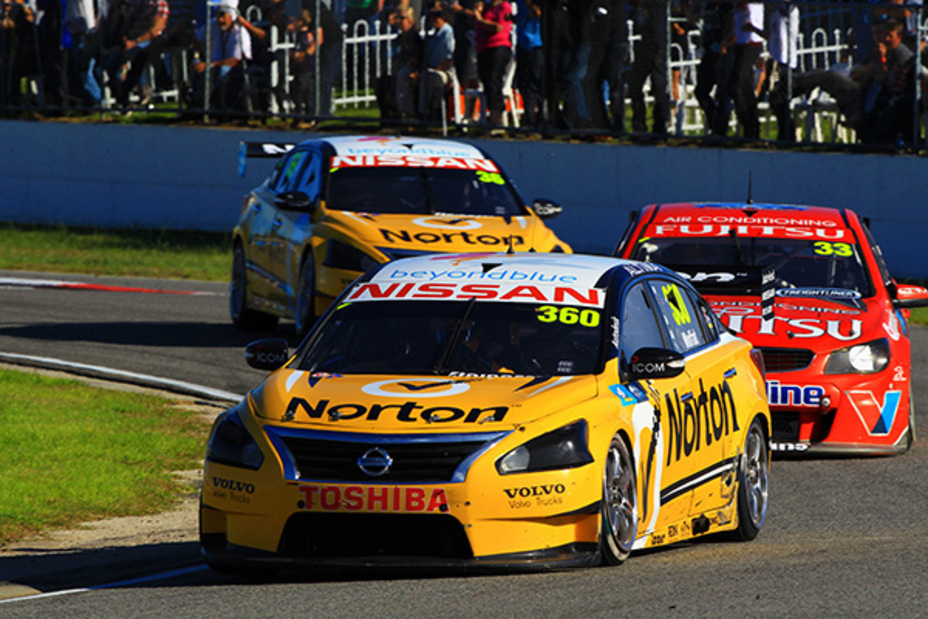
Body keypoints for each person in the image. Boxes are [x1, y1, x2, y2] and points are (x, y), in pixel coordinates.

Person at [104, 0, 170, 108]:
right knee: (111, 66)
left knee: (139, 60)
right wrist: (125, 38)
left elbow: (156, 30)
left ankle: (142, 91)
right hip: (131, 41)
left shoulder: (160, 5)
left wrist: (135, 42)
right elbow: (127, 24)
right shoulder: (138, 4)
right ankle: (121, 99)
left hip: (149, 42)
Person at [190, 3, 252, 112]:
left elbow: (235, 60)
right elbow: (197, 38)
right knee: (195, 70)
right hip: (212, 64)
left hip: (233, 69)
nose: (220, 20)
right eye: (218, 16)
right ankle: (196, 103)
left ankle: (221, 105)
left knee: (222, 71)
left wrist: (209, 65)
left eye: (223, 17)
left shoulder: (239, 33)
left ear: (231, 17)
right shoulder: (213, 25)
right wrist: (200, 52)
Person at [628, 0, 670, 135]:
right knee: (634, 84)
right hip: (643, 44)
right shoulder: (642, 6)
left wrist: (657, 52)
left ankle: (660, 125)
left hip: (656, 46)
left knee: (659, 87)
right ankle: (639, 124)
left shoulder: (656, 5)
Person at [693, 0, 734, 136]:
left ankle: (720, 131)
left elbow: (732, 27)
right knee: (701, 91)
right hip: (708, 49)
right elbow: (694, 17)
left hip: (722, 50)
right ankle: (714, 121)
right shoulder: (707, 5)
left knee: (722, 92)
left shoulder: (727, 6)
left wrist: (724, 44)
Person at [473, 0, 512, 128]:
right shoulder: (487, 8)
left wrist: (480, 19)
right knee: (485, 81)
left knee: (494, 81)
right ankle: (490, 115)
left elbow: (498, 27)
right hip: (483, 48)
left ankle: (497, 118)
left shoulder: (504, 7)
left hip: (498, 47)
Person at [728, 1, 763, 139]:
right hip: (740, 43)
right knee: (739, 87)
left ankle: (751, 126)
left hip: (752, 42)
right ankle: (749, 126)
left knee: (739, 84)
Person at [766, 1, 800, 142]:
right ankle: (786, 133)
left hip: (785, 60)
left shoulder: (789, 10)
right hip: (776, 58)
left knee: (781, 98)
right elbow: (772, 34)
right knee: (774, 99)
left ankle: (787, 135)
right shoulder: (774, 13)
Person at [385, 4, 422, 122]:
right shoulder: (401, 37)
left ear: (410, 20)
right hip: (401, 68)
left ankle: (409, 115)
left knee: (403, 76)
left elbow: (417, 57)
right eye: (398, 18)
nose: (399, 22)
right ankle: (392, 114)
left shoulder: (414, 36)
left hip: (414, 69)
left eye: (402, 18)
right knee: (383, 80)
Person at [418, 6, 454, 121]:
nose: (433, 21)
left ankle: (433, 113)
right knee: (424, 76)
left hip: (446, 71)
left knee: (431, 77)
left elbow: (449, 57)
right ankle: (422, 113)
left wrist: (438, 69)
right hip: (433, 68)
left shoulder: (448, 33)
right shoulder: (433, 35)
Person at [514, 0, 542, 128]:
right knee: (523, 82)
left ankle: (541, 117)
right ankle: (529, 116)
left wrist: (535, 8)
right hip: (522, 43)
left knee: (536, 81)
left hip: (536, 44)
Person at [289, 7, 318, 116]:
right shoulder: (301, 35)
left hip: (305, 66)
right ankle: (304, 113)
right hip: (304, 67)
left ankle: (305, 114)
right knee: (302, 90)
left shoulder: (305, 36)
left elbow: (300, 52)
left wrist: (294, 54)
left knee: (303, 91)